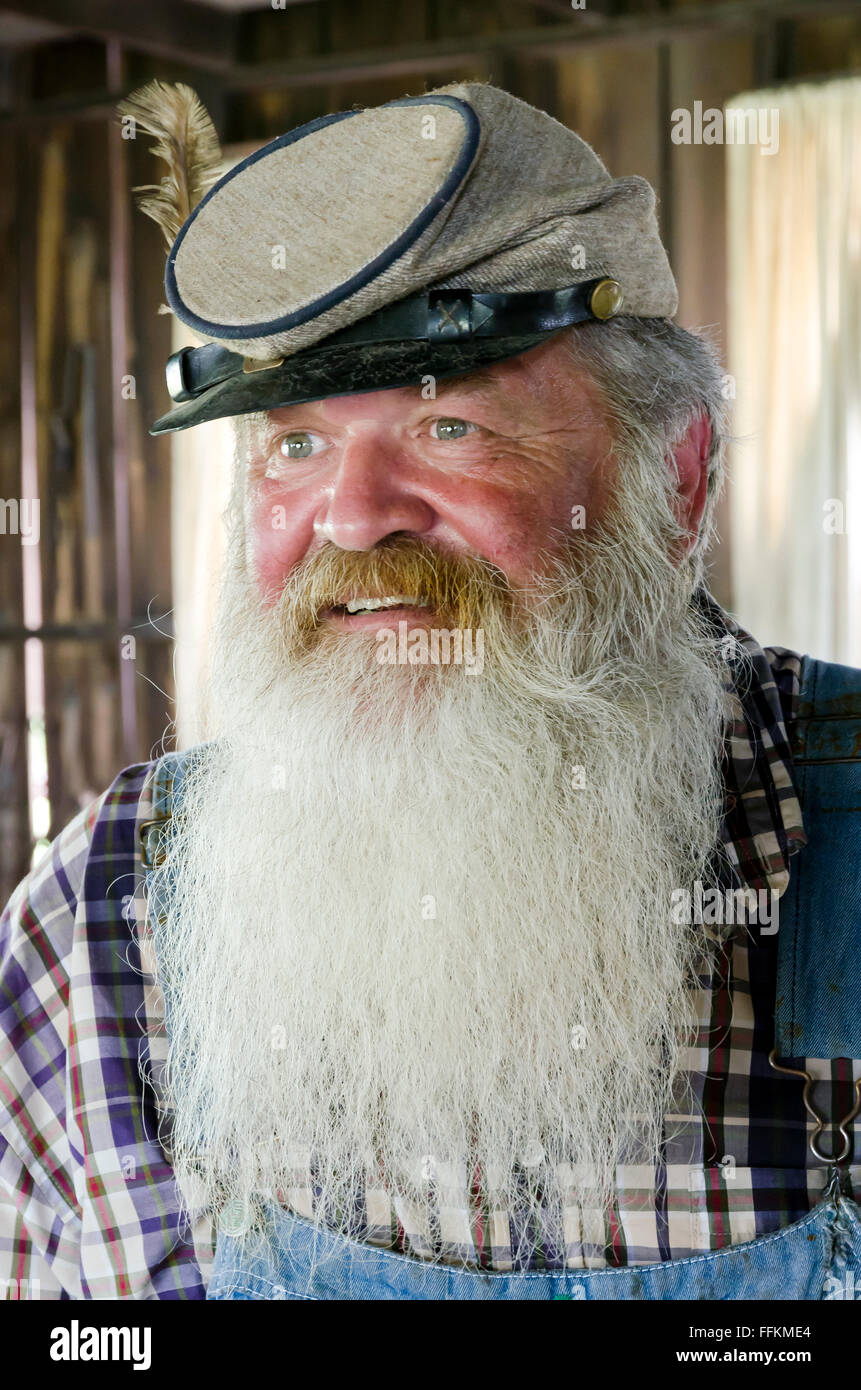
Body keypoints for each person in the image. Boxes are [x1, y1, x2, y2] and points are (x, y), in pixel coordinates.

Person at [1, 80, 859, 1302]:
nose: (352, 518)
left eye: (450, 426)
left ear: (675, 478)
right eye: (294, 443)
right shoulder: (99, 921)